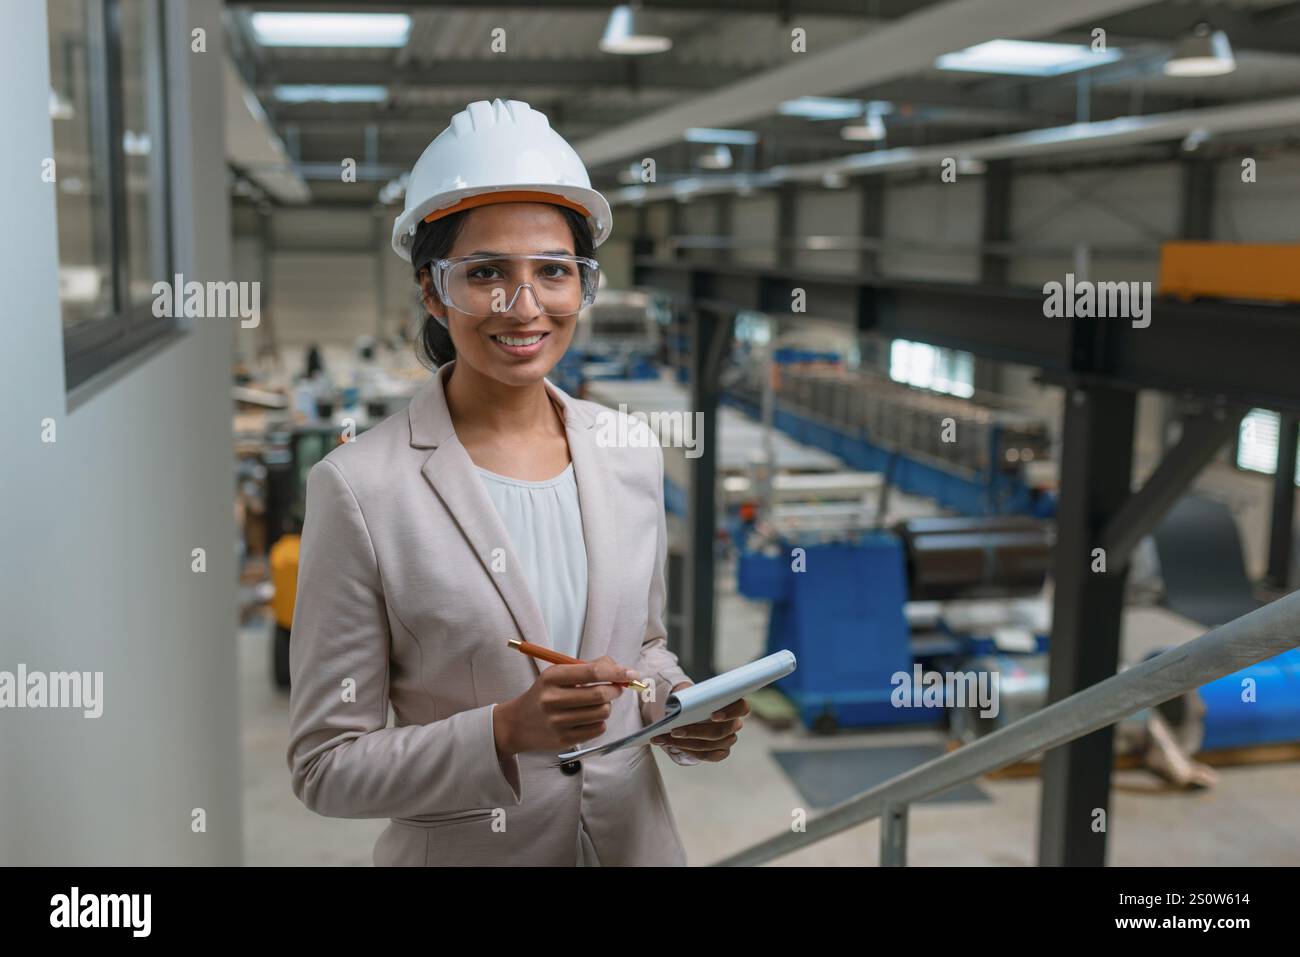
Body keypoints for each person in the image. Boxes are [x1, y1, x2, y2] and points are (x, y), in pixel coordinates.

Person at [286, 99, 749, 866]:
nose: (524, 305)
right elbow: (324, 765)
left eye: (554, 271)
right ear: (433, 290)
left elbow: (641, 648)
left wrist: (673, 707)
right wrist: (501, 731)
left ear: (583, 285)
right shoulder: (361, 489)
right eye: (486, 273)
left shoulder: (628, 451)